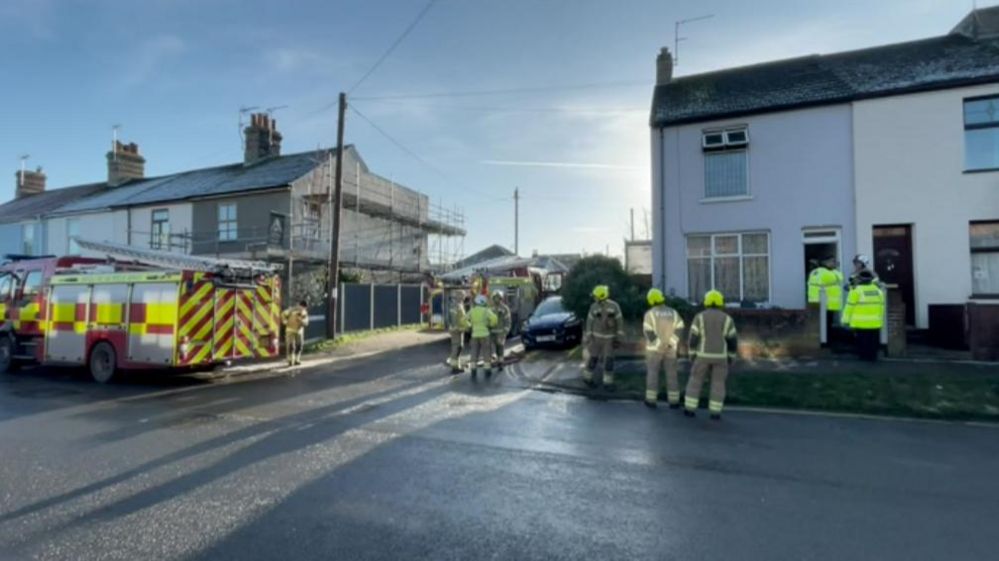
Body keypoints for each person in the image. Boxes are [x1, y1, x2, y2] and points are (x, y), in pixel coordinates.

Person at [684, 290, 738, 420]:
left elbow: (693, 338)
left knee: (695, 381)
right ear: (720, 302)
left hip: (702, 356)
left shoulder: (699, 317)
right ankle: (715, 412)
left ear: (706, 302)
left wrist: (691, 354)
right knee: (718, 384)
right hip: (721, 357)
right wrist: (731, 356)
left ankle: (690, 409)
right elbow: (732, 340)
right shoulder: (727, 319)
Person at [642, 288, 684, 409]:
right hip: (671, 349)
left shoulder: (650, 314)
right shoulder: (673, 312)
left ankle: (651, 400)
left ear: (651, 300)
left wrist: (659, 344)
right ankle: (674, 401)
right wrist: (671, 342)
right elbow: (680, 327)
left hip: (654, 350)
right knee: (672, 374)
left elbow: (648, 331)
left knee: (652, 373)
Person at [583, 285, 623, 390]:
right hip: (596, 339)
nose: (594, 298)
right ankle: (587, 378)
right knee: (593, 358)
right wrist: (589, 336)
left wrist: (618, 338)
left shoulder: (614, 306)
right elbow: (589, 322)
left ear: (601, 296)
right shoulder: (594, 307)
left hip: (609, 339)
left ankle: (607, 383)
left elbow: (619, 322)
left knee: (608, 361)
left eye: (596, 296)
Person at [842, 270, 885, 361]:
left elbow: (849, 306)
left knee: (862, 341)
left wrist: (845, 320)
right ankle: (872, 357)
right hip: (875, 322)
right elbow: (881, 306)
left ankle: (864, 357)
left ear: (860, 279)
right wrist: (880, 319)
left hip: (860, 323)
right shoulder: (877, 290)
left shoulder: (856, 291)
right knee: (873, 342)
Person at [467, 294, 498, 378]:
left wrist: (470, 325)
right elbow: (494, 319)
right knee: (486, 352)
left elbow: (464, 320)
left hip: (474, 335)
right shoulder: (486, 310)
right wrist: (491, 325)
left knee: (474, 352)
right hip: (485, 334)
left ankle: (473, 370)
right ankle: (487, 370)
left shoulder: (472, 310)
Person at [445, 291, 469, 374]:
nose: (464, 297)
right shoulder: (457, 306)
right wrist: (457, 327)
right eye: (463, 295)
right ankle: (455, 367)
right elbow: (457, 318)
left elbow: (461, 318)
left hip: (458, 329)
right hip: (457, 330)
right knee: (457, 347)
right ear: (459, 296)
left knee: (459, 347)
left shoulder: (458, 305)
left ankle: (456, 366)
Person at [281, 299, 309, 366]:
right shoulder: (292, 310)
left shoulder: (304, 313)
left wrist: (301, 321)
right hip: (290, 330)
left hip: (299, 331)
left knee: (299, 345)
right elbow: (283, 314)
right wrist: (285, 322)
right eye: (302, 307)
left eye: (304, 307)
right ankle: (290, 360)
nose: (302, 308)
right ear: (299, 305)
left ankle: (297, 360)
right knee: (291, 346)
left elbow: (306, 323)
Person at [489, 290, 512, 371]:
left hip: (501, 333)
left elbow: (508, 321)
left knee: (500, 348)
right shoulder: (490, 308)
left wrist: (505, 331)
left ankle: (500, 363)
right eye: (495, 298)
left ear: (501, 298)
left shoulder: (505, 309)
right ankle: (491, 363)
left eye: (498, 298)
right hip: (491, 333)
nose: (496, 299)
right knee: (490, 349)